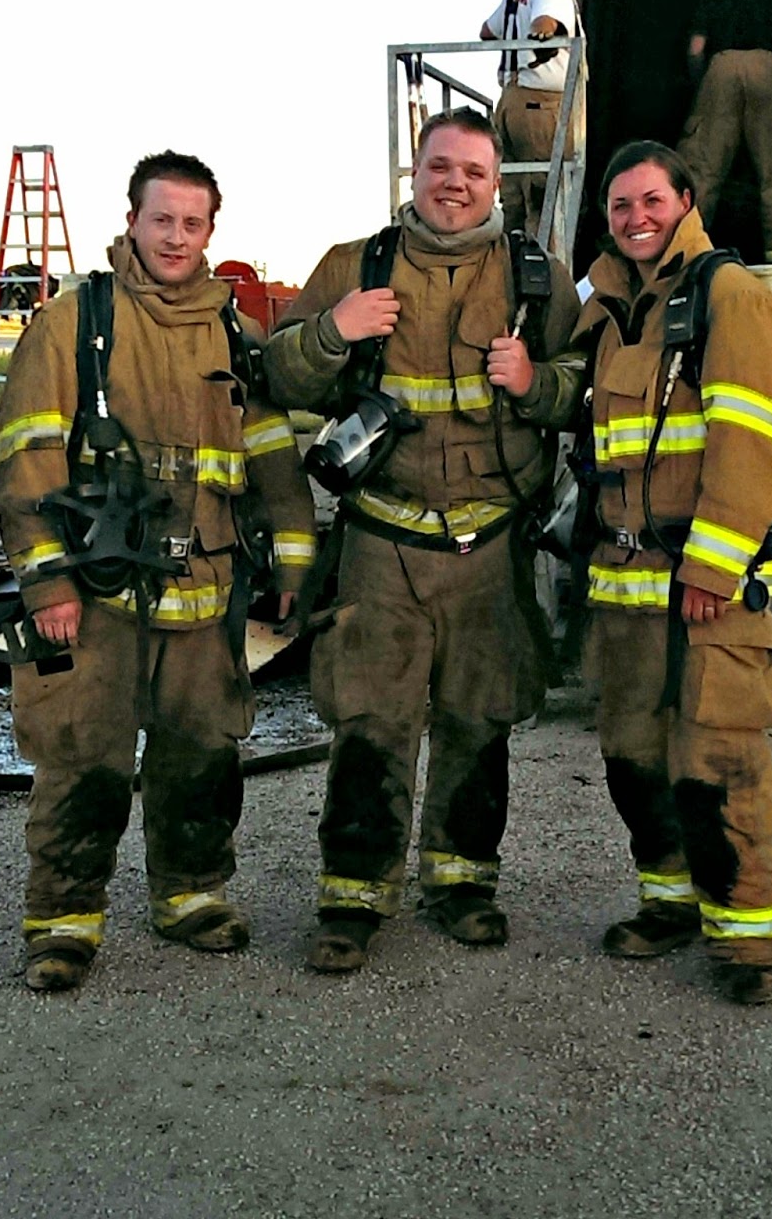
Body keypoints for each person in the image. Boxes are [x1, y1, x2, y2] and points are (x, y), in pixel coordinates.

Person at [264, 107, 580, 974]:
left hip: (490, 546)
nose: (456, 185)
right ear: (416, 172)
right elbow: (272, 372)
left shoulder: (536, 276)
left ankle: (463, 884)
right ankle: (352, 898)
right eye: (441, 167)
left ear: (495, 184)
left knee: (480, 717)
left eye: (474, 172)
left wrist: (537, 381)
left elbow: (588, 391)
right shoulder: (352, 266)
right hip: (381, 542)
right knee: (371, 718)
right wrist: (335, 332)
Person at [0, 151, 317, 992]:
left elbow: (272, 459)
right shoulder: (73, 323)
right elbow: (27, 460)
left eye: (192, 222)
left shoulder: (233, 336)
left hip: (208, 592)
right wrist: (47, 584)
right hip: (99, 592)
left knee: (203, 754)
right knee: (83, 755)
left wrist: (289, 558)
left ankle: (190, 896)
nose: (176, 236)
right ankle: (62, 925)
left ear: (212, 230)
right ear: (132, 220)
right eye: (161, 219)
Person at [541, 141, 772, 1005]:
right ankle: (667, 904)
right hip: (624, 586)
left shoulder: (727, 298)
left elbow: (752, 440)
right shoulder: (609, 303)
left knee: (717, 758)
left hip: (701, 587)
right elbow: (570, 400)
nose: (635, 218)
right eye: (619, 206)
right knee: (632, 755)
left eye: (650, 200)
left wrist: (713, 566)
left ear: (684, 200)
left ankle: (748, 945)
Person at [677, 0, 772, 263]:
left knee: (703, 168)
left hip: (719, 69)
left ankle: (686, 254)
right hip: (768, 69)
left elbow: (695, 50)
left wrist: (703, 86)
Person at [480, 0, 590, 239]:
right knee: (548, 207)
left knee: (513, 205)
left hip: (510, 102)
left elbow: (487, 31)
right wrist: (541, 35)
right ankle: (543, 281)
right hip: (541, 108)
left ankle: (510, 277)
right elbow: (545, 23)